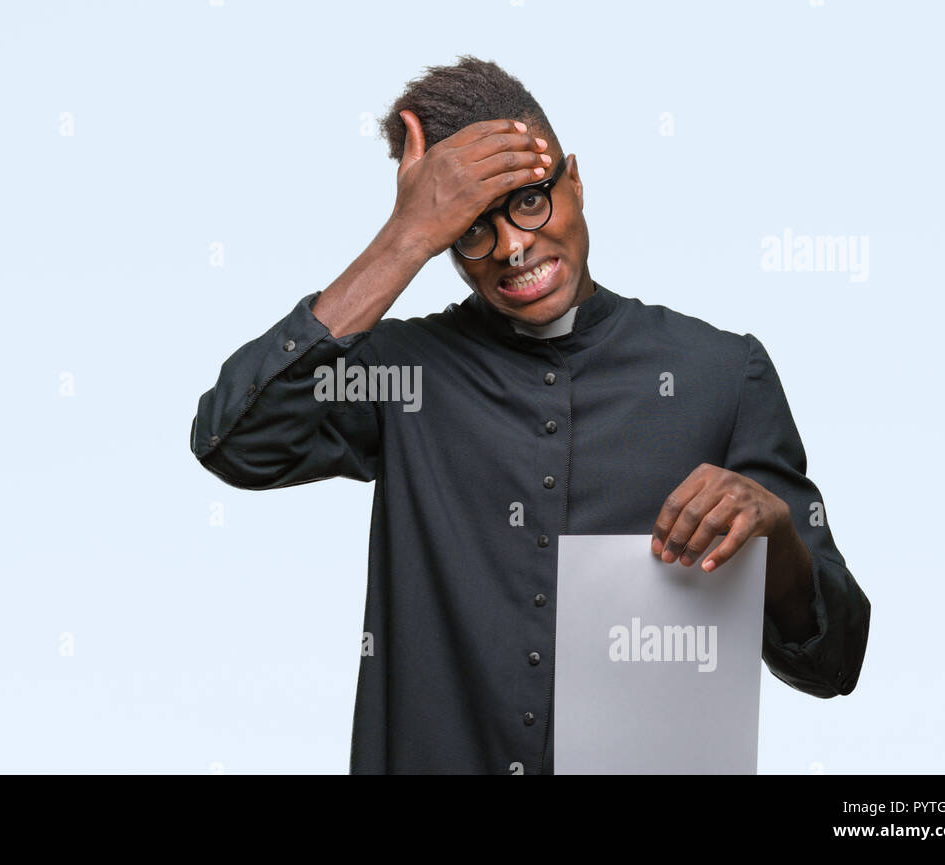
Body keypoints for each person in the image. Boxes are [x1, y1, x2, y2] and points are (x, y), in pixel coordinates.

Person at [190, 56, 870, 774]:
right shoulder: (401, 374)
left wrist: (777, 530)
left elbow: (835, 660)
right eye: (470, 230)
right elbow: (234, 440)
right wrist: (405, 237)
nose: (512, 247)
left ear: (573, 179)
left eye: (528, 201)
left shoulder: (722, 373)